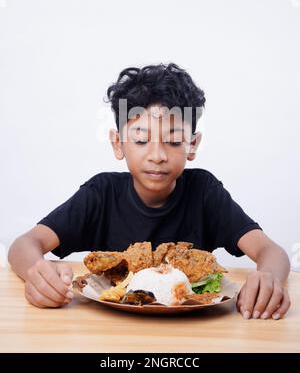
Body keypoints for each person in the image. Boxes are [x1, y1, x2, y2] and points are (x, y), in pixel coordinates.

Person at [8, 63, 291, 320]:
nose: (157, 155)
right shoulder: (101, 193)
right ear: (117, 143)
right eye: (141, 139)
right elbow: (24, 245)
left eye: (173, 140)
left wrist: (267, 277)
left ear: (192, 145)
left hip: (191, 335)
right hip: (110, 335)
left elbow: (271, 251)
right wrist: (38, 271)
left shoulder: (204, 192)